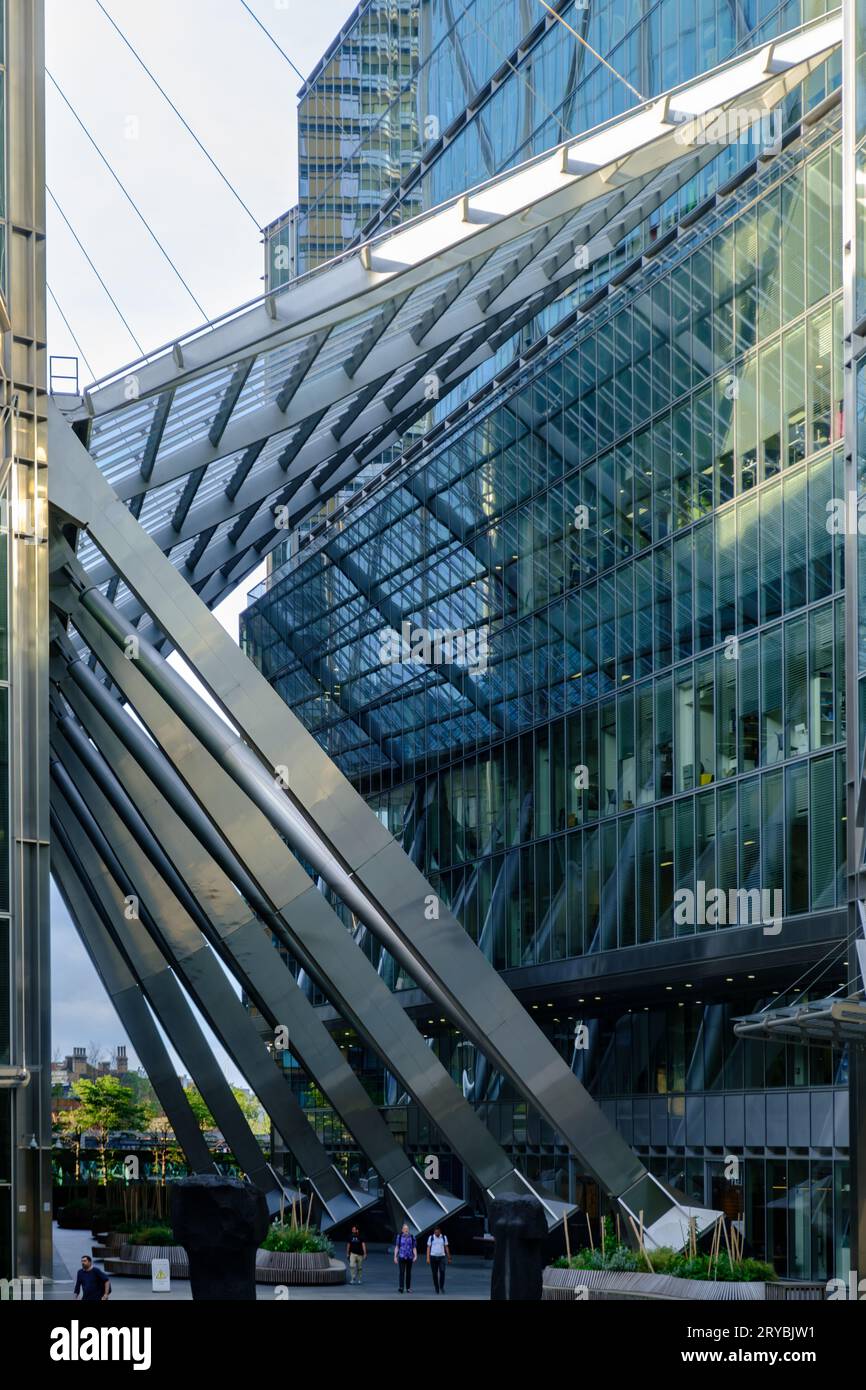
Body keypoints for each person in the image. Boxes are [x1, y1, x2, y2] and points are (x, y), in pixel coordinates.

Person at [426, 1225, 451, 1294]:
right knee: (434, 1273)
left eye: (437, 1232)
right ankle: (436, 1287)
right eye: (435, 1232)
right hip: (433, 1257)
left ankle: (441, 1286)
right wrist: (428, 1258)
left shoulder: (444, 1237)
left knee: (442, 1272)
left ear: (440, 1231)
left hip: (442, 1257)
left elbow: (446, 1247)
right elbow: (428, 1248)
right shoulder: (431, 1237)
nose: (436, 1233)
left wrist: (449, 1257)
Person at [393, 1223, 417, 1293]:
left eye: (407, 1229)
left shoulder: (412, 1237)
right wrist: (395, 1257)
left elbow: (414, 1247)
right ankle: (401, 1287)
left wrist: (415, 1256)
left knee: (408, 1273)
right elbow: (397, 1247)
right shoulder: (399, 1237)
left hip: (409, 1257)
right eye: (405, 1229)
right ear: (402, 1230)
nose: (406, 1230)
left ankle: (408, 1288)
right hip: (401, 1256)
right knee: (402, 1272)